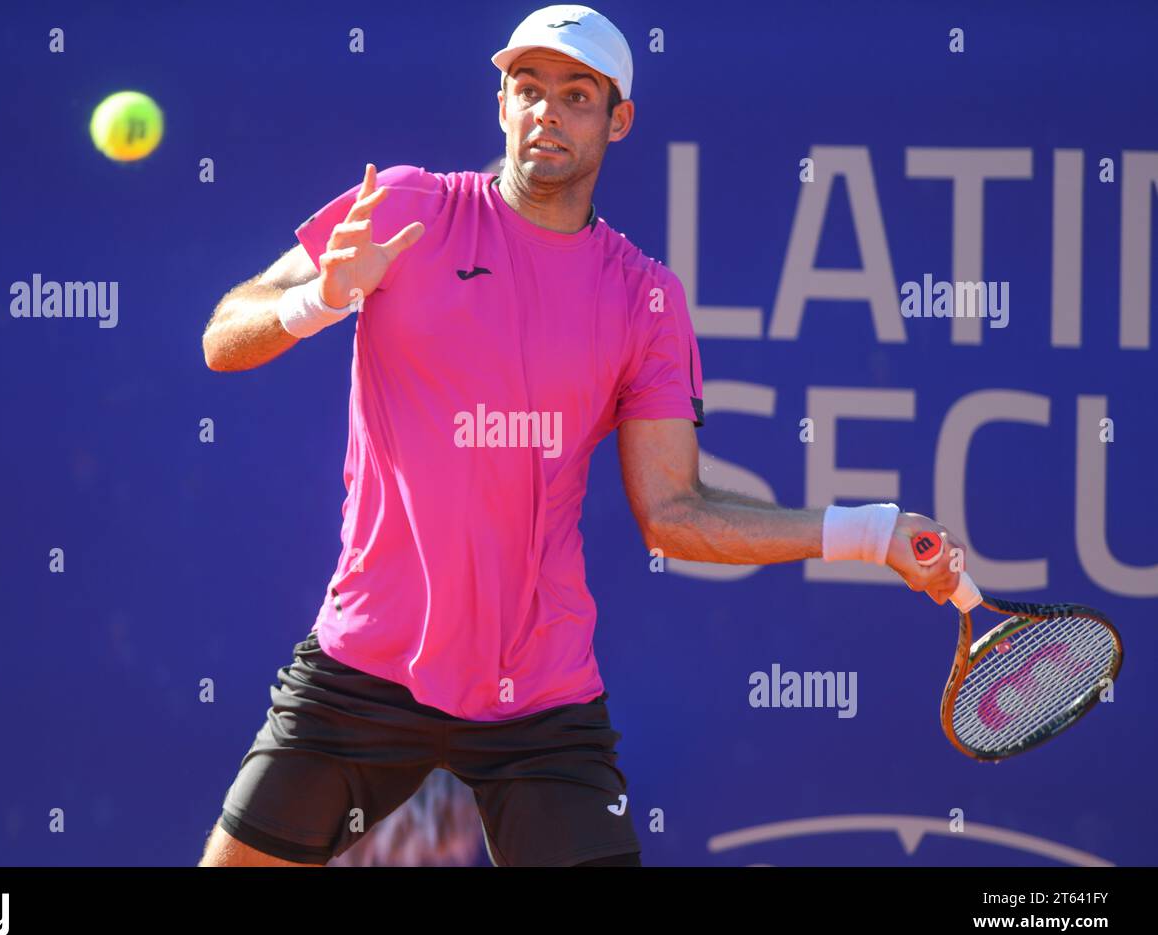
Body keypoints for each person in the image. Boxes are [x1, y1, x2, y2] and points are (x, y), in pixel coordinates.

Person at [197, 4, 965, 868]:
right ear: (500, 104)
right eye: (527, 90)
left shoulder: (645, 298)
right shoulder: (406, 208)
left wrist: (871, 532)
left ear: (617, 119)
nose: (546, 113)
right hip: (367, 662)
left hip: (538, 697)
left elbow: (674, 511)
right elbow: (223, 337)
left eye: (575, 94)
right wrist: (320, 302)